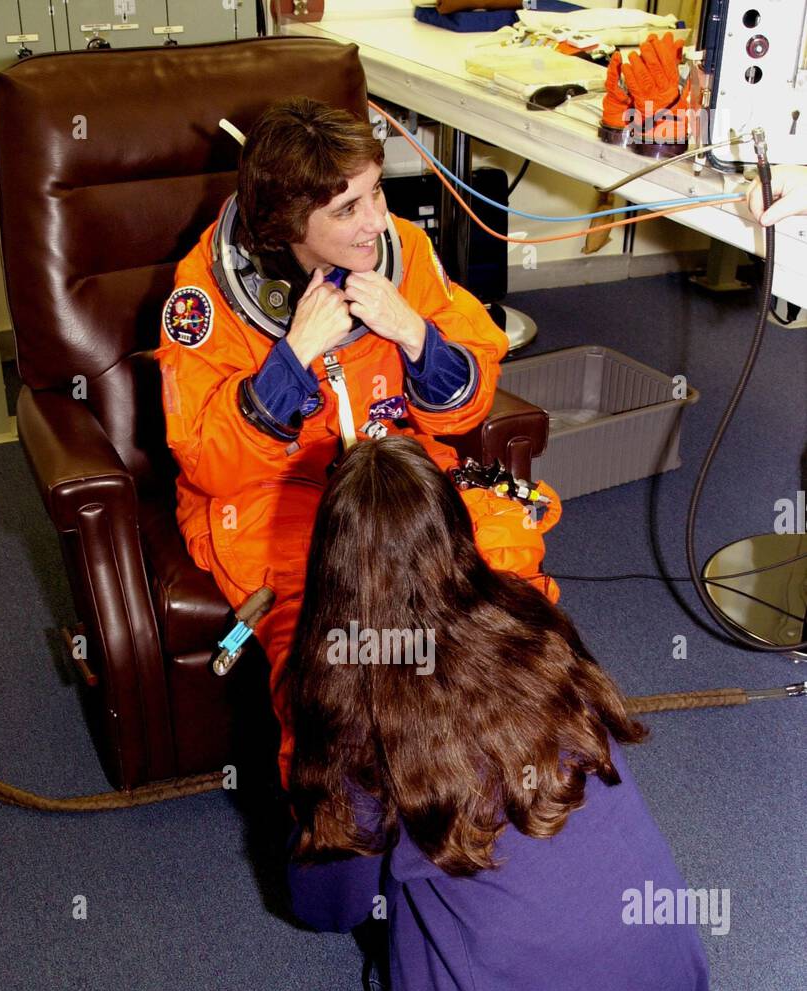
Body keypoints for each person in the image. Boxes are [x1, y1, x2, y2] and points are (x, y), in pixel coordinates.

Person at [285, 435, 736, 991]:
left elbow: (329, 902)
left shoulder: (358, 710)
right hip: (668, 966)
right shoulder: (532, 620)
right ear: (456, 531)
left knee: (390, 969)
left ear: (335, 574)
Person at [156, 98, 561, 787]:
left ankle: (515, 780)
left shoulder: (406, 252)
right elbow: (207, 462)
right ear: (287, 227)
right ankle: (345, 841)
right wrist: (289, 363)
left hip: (392, 467)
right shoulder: (204, 300)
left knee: (505, 581)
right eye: (347, 210)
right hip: (273, 496)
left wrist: (416, 336)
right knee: (319, 648)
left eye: (375, 191)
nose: (377, 220)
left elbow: (468, 399)